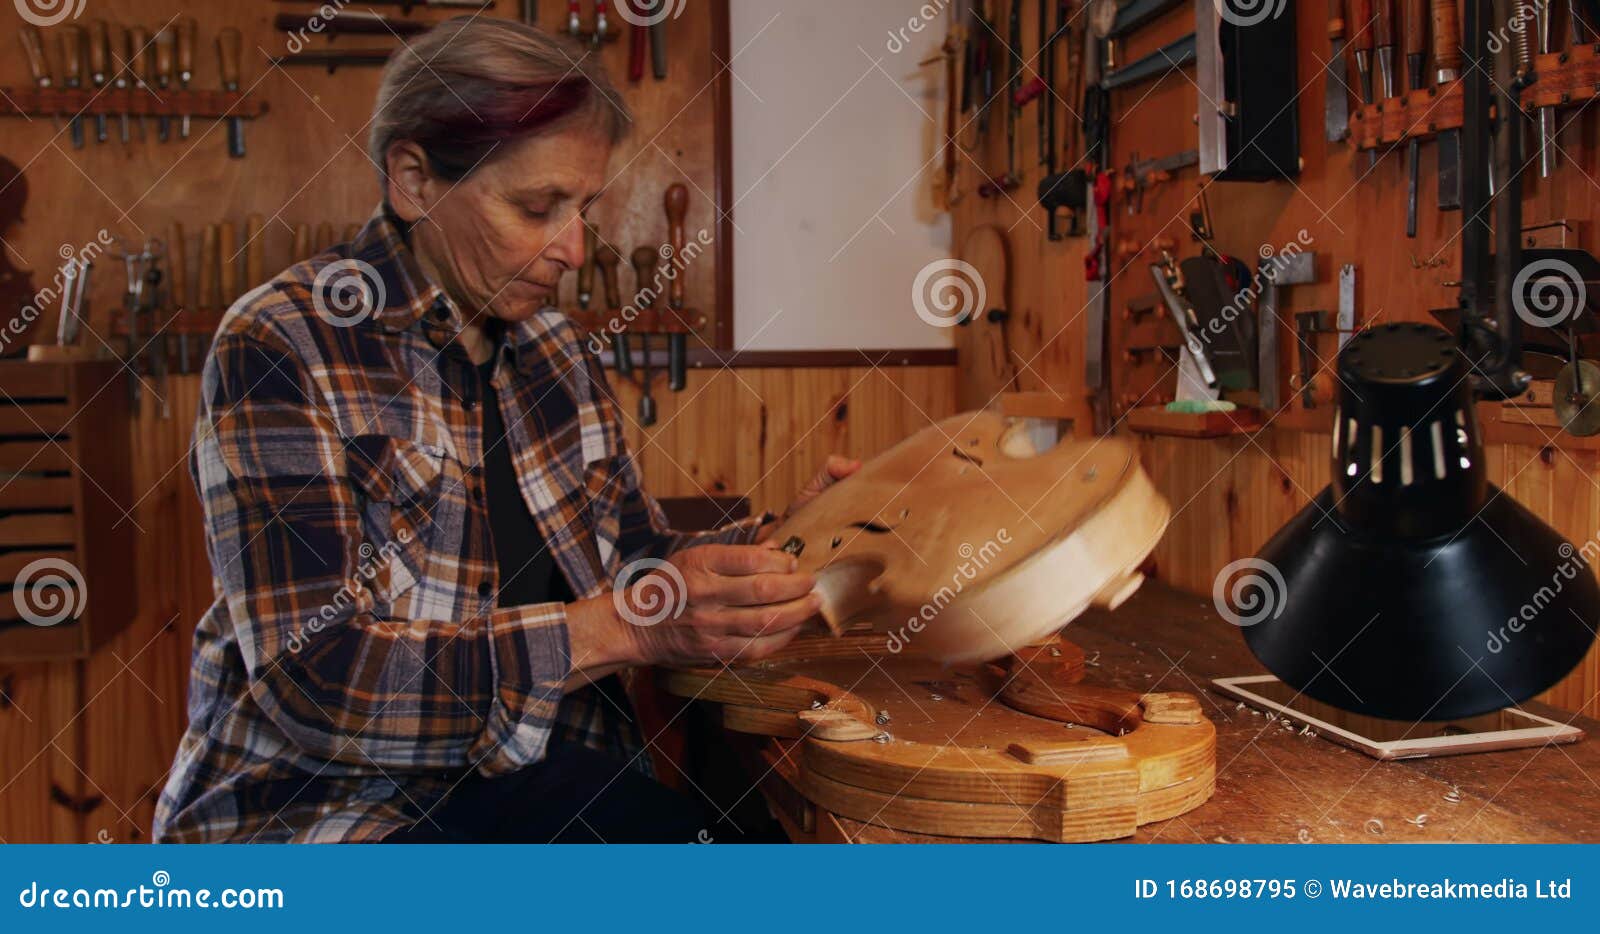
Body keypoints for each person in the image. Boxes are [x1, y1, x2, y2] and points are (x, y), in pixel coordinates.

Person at [154, 17, 856, 843]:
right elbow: (319, 682)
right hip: (326, 817)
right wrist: (629, 624)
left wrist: (799, 541)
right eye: (537, 207)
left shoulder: (552, 350)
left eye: (584, 207)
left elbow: (637, 559)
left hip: (539, 780)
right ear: (414, 180)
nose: (573, 248)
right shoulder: (282, 342)